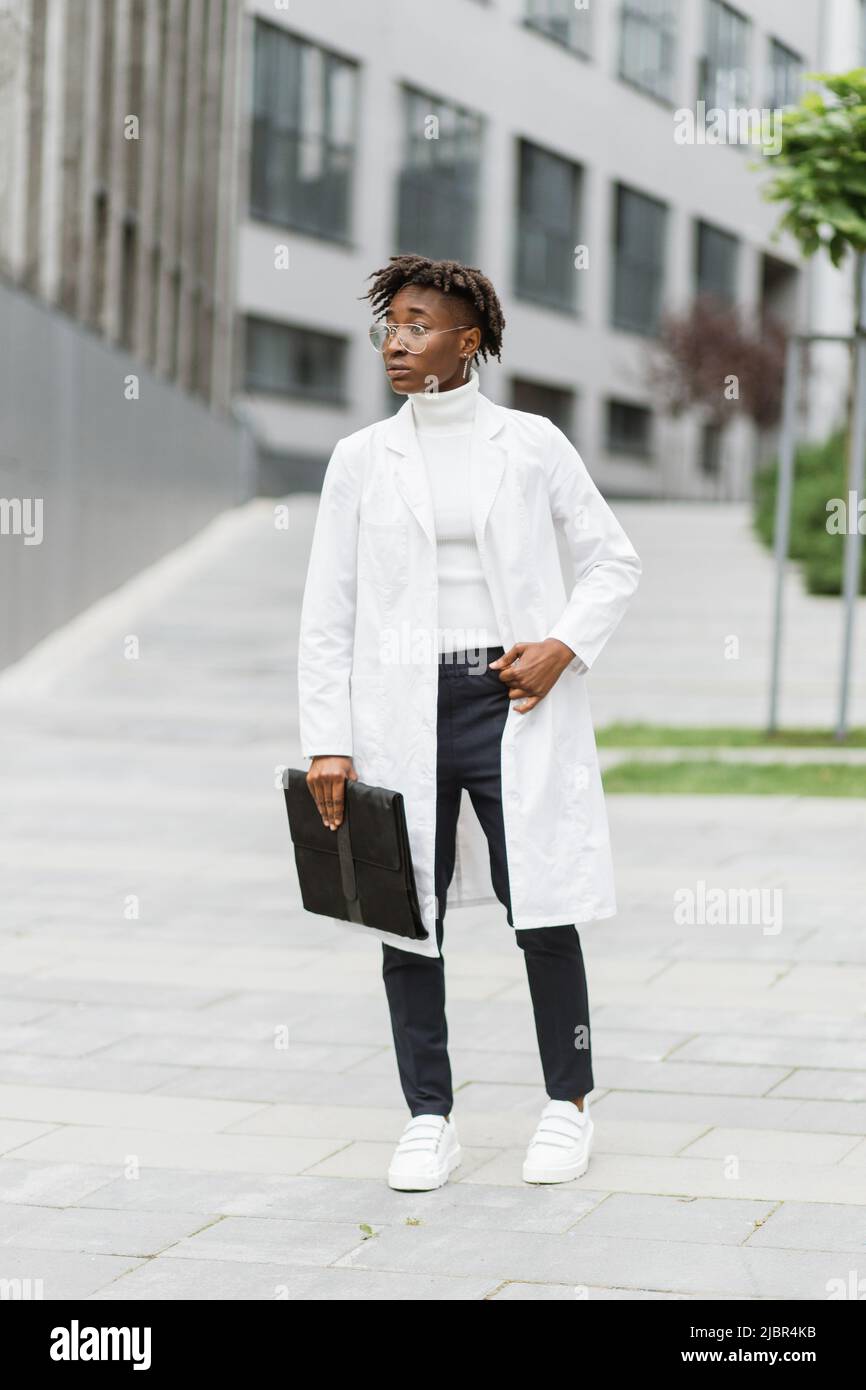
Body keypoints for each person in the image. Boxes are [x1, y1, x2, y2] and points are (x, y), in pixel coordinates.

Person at [297, 254, 641, 1192]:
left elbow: (613, 562)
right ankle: (428, 1116)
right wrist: (329, 737)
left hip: (512, 698)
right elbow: (328, 610)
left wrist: (561, 645)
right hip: (400, 709)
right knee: (408, 917)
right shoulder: (361, 460)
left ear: (469, 340)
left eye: (416, 326)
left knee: (543, 904)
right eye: (389, 328)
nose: (396, 344)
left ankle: (567, 1106)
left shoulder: (531, 444)